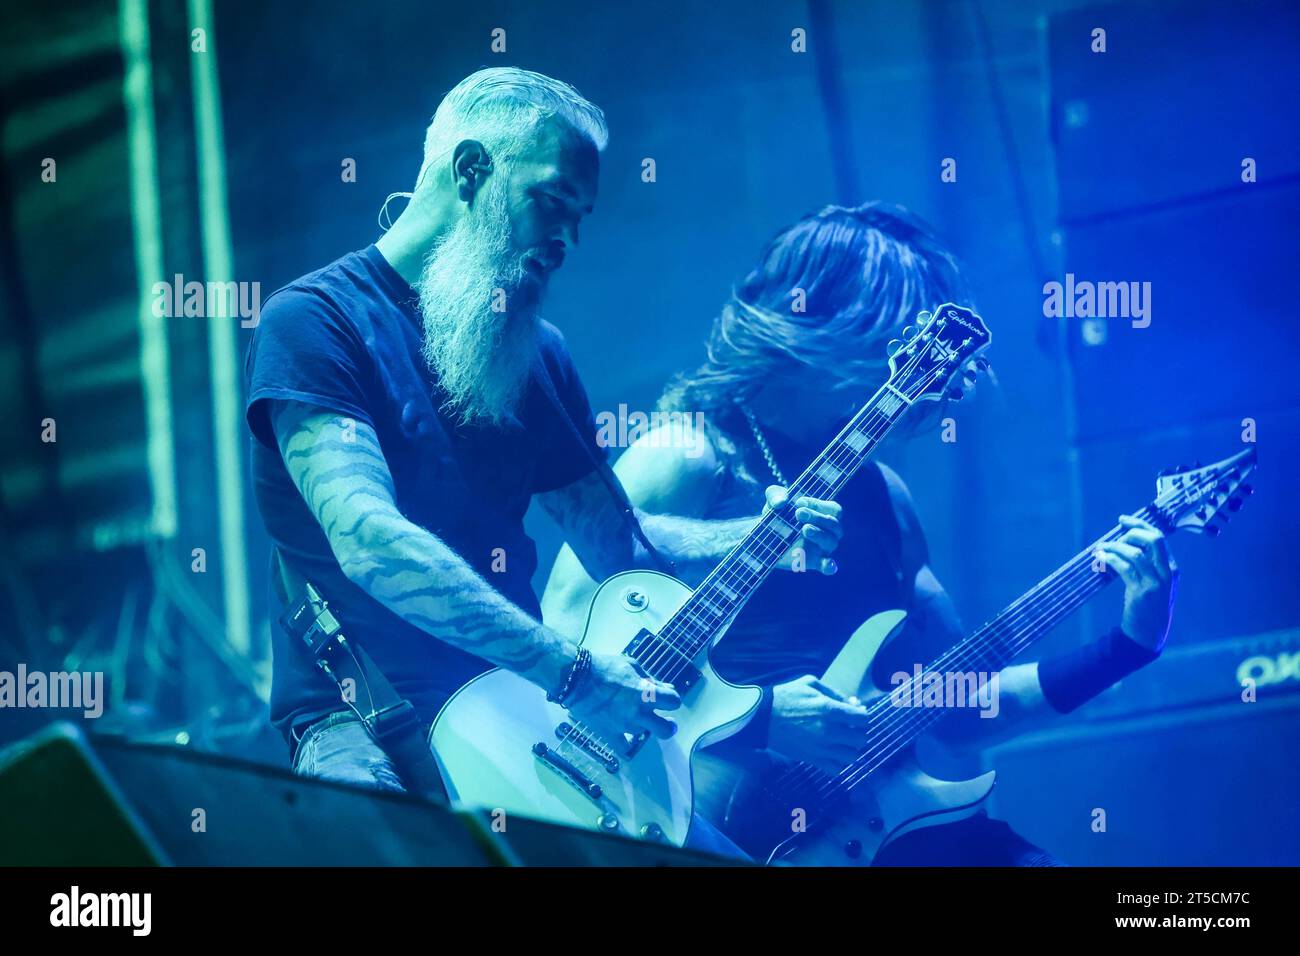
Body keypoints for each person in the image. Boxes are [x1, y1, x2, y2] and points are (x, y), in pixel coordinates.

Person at [242, 68, 842, 858]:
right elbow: (370, 543)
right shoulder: (313, 323)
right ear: (470, 170)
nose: (568, 239)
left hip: (522, 705)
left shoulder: (535, 352)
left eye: (581, 217)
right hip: (369, 719)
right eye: (554, 202)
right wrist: (576, 676)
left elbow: (618, 546)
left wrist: (755, 535)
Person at [541, 202, 1179, 865]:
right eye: (908, 338)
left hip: (880, 829)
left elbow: (956, 707)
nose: (938, 375)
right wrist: (755, 714)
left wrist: (1128, 646)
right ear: (833, 323)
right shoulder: (689, 457)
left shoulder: (886, 499)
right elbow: (567, 637)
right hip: (697, 822)